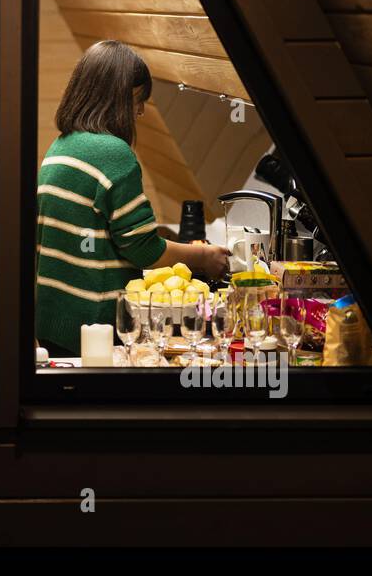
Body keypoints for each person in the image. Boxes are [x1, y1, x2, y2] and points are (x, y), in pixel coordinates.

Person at [35, 40, 232, 357]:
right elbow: (144, 250)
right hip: (97, 326)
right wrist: (205, 257)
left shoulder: (60, 147)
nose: (140, 110)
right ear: (115, 98)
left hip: (53, 323)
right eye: (138, 99)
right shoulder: (113, 154)